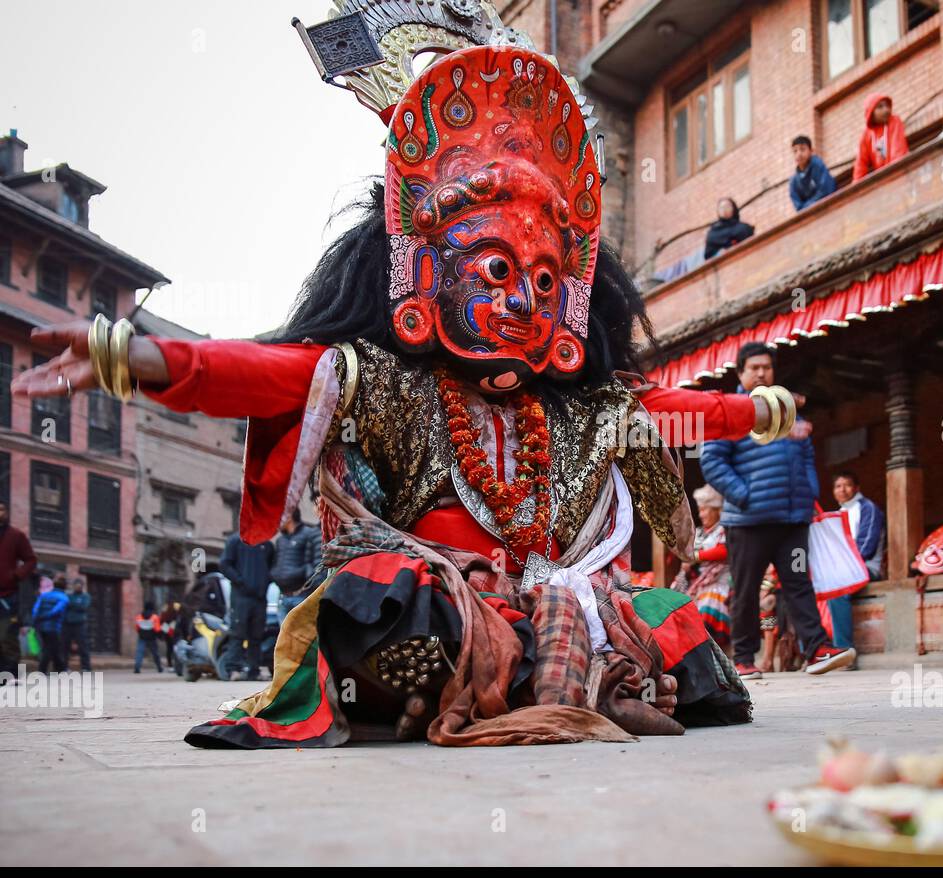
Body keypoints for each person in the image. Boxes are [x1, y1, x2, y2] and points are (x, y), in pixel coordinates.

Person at [11, 31, 782, 747]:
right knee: (393, 602)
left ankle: (571, 688)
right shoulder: (389, 383)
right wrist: (135, 357)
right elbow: (274, 371)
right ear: (425, 276)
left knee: (649, 612)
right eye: (496, 273)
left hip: (557, 605)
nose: (523, 302)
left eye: (544, 281)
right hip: (451, 603)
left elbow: (668, 412)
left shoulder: (577, 408)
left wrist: (755, 409)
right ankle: (519, 688)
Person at [701, 342, 849, 678]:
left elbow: (808, 455)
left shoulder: (789, 411)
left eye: (766, 367)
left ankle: (816, 650)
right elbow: (711, 461)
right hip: (749, 520)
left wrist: (810, 491)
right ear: (740, 373)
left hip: (792, 517)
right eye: (753, 367)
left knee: (798, 584)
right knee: (747, 589)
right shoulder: (731, 411)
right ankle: (742, 657)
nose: (761, 373)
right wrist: (745, 495)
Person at [827, 470, 883, 658]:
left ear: (856, 488)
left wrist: (839, 565)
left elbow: (867, 547)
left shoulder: (868, 508)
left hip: (865, 567)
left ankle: (844, 652)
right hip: (841, 569)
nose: (842, 489)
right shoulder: (836, 514)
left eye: (847, 485)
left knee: (837, 589)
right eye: (838, 486)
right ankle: (815, 652)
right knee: (807, 590)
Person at [672, 485, 731, 654]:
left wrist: (695, 557)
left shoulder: (723, 530)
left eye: (705, 510)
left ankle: (708, 652)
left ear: (717, 510)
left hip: (718, 584)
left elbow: (724, 551)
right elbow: (684, 554)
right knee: (675, 606)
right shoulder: (697, 533)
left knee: (706, 607)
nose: (701, 514)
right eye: (700, 510)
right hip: (695, 583)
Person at [219, 529, 274, 682]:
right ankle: (233, 670)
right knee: (238, 634)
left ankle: (254, 671)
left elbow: (271, 568)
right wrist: (240, 581)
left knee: (256, 636)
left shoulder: (267, 544)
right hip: (241, 597)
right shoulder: (235, 540)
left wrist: (263, 583)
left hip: (260, 598)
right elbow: (224, 564)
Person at [0, 502, 37, 680]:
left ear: (6, 512)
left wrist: (16, 575)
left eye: (1, 509)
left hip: (8, 596)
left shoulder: (16, 536)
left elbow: (31, 560)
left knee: (7, 637)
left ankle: (10, 676)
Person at [271, 507, 322, 624]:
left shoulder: (308, 534)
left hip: (301, 597)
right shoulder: (280, 540)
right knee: (284, 639)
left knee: (301, 638)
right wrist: (274, 574)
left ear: (289, 517)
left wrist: (304, 574)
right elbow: (276, 563)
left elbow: (313, 561)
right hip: (282, 597)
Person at [851, 93, 909, 181]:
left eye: (887, 106)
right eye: (880, 107)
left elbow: (898, 151)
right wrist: (856, 190)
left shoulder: (894, 121)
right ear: (871, 112)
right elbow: (860, 164)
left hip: (901, 174)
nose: (886, 110)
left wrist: (896, 175)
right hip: (885, 180)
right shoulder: (866, 135)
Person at [789, 135, 837, 211]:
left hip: (829, 208)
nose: (799, 154)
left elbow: (827, 190)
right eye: (795, 151)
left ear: (811, 151)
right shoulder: (793, 182)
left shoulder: (817, 165)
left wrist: (808, 205)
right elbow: (799, 208)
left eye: (802, 149)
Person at [32, 575, 70, 672]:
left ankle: (61, 669)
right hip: (53, 627)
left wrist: (37, 620)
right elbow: (57, 611)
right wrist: (47, 616)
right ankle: (42, 670)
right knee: (49, 648)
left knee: (53, 647)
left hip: (40, 626)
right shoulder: (64, 598)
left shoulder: (44, 595)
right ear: (65, 586)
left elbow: (35, 610)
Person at [62, 577, 92, 671]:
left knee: (83, 646)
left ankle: (86, 667)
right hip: (67, 623)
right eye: (76, 585)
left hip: (80, 624)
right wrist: (75, 605)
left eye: (79, 585)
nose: (77, 587)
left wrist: (71, 604)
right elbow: (65, 605)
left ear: (82, 586)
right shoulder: (69, 595)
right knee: (64, 646)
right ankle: (64, 667)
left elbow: (83, 607)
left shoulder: (85, 596)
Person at [134, 602, 164, 674]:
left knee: (139, 652)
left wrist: (141, 632)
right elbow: (157, 629)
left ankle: (137, 668)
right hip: (152, 638)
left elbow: (137, 628)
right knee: (155, 653)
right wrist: (160, 636)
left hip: (142, 637)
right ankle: (159, 667)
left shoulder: (139, 616)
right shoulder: (154, 617)